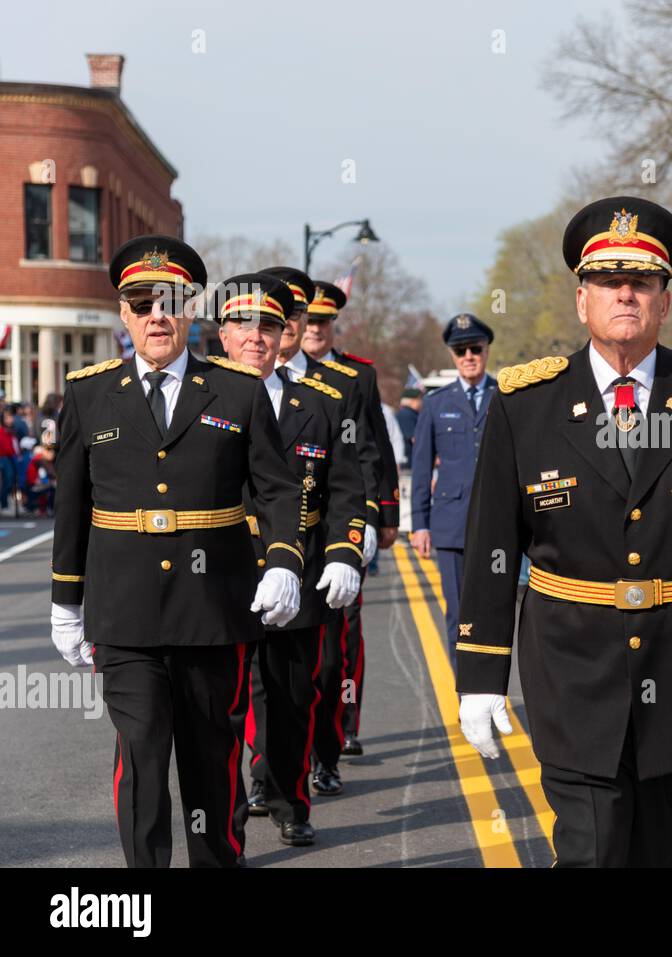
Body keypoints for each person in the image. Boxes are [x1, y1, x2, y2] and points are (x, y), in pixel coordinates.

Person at [454, 196, 672, 867]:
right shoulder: (526, 405)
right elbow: (494, 548)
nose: (625, 293)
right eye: (609, 282)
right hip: (572, 666)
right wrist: (480, 671)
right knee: (592, 848)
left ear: (665, 301)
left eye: (641, 282)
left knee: (663, 847)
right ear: (581, 299)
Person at [50, 236, 302, 867]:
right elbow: (72, 506)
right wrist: (64, 602)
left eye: (172, 302)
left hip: (212, 613)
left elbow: (276, 488)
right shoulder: (87, 393)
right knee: (139, 755)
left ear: (193, 311)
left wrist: (283, 561)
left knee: (209, 758)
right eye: (142, 303)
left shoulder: (238, 391)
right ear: (125, 316)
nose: (157, 315)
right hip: (125, 614)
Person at [213, 272, 366, 847]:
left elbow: (346, 485)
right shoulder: (201, 397)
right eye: (244, 324)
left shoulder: (322, 404)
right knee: (224, 708)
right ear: (223, 334)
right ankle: (224, 828)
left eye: (270, 326)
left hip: (298, 570)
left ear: (285, 335)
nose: (257, 336)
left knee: (292, 697)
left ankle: (289, 799)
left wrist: (345, 550)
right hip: (223, 574)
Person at [299, 278, 402, 771]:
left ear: (332, 324)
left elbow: (373, 446)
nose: (314, 329)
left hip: (346, 516)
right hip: (294, 519)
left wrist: (383, 512)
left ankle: (345, 723)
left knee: (345, 628)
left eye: (322, 321)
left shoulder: (356, 375)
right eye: (308, 320)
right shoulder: (272, 376)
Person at [409, 313, 497, 646]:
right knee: (459, 613)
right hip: (451, 524)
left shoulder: (506, 398)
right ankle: (465, 692)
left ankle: (490, 690)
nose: (469, 356)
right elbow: (421, 469)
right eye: (461, 350)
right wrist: (420, 524)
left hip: (496, 523)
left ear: (486, 349)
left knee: (492, 611)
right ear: (452, 355)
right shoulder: (435, 404)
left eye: (475, 348)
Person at [396, 388, 423, 467]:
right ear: (412, 401)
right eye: (420, 399)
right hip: (407, 461)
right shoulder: (406, 414)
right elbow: (414, 438)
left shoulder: (412, 414)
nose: (421, 402)